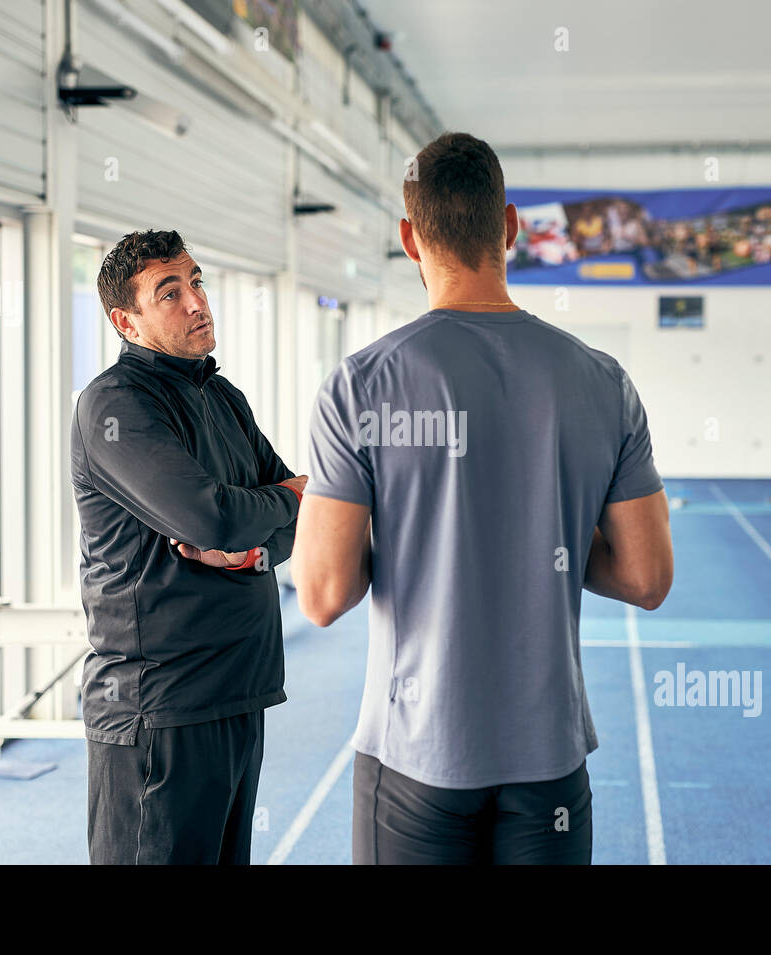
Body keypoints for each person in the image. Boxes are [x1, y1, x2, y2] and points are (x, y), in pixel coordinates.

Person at [291, 132, 674, 865]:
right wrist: (544, 523)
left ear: (409, 238)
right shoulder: (602, 380)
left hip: (415, 756)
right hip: (548, 762)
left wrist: (408, 523)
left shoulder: (361, 384)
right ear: (510, 225)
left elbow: (323, 593)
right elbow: (647, 577)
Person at [70, 229, 307, 864]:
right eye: (168, 292)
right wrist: (290, 497)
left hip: (237, 689)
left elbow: (276, 528)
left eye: (196, 282)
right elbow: (213, 517)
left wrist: (255, 549)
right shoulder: (115, 406)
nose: (196, 302)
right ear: (127, 320)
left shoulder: (223, 397)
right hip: (160, 707)